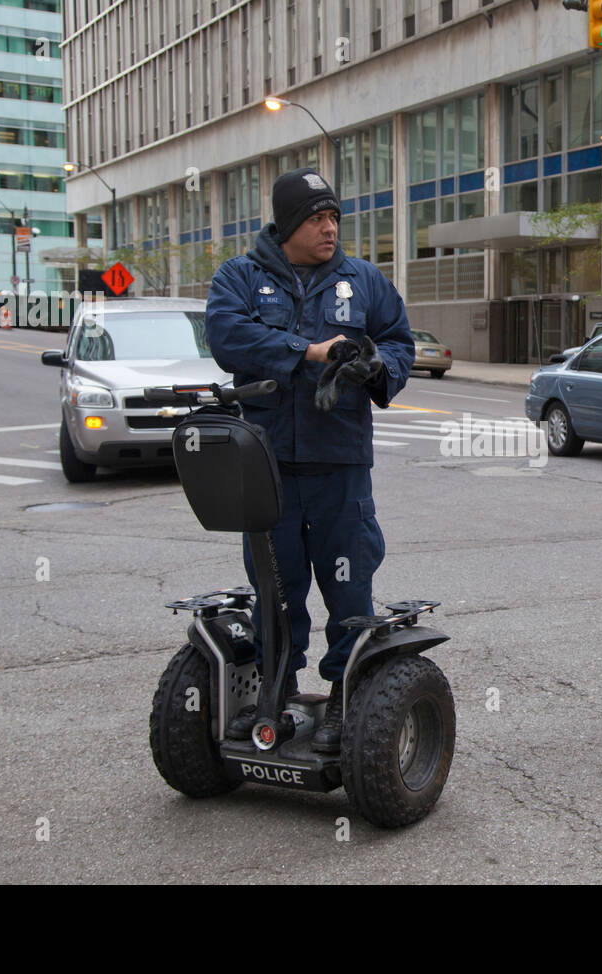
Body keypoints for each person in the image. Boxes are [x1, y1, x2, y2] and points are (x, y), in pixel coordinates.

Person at [205, 168, 415, 752]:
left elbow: (399, 340)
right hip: (266, 466)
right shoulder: (240, 278)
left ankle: (349, 705)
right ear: (289, 223)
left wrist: (379, 367)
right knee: (276, 589)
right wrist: (309, 351)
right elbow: (227, 337)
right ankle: (275, 695)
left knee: (350, 587)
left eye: (334, 218)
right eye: (318, 218)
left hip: (340, 463)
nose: (330, 228)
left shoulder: (363, 280)